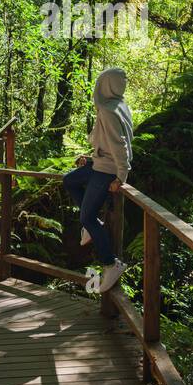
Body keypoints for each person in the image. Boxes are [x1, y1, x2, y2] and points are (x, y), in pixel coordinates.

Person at [64, 67, 133, 293]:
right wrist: (90, 156)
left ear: (105, 85)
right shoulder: (120, 106)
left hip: (107, 171)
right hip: (99, 164)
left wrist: (121, 176)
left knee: (86, 216)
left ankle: (111, 263)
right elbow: (106, 142)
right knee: (70, 181)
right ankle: (93, 226)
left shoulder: (109, 110)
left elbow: (119, 144)